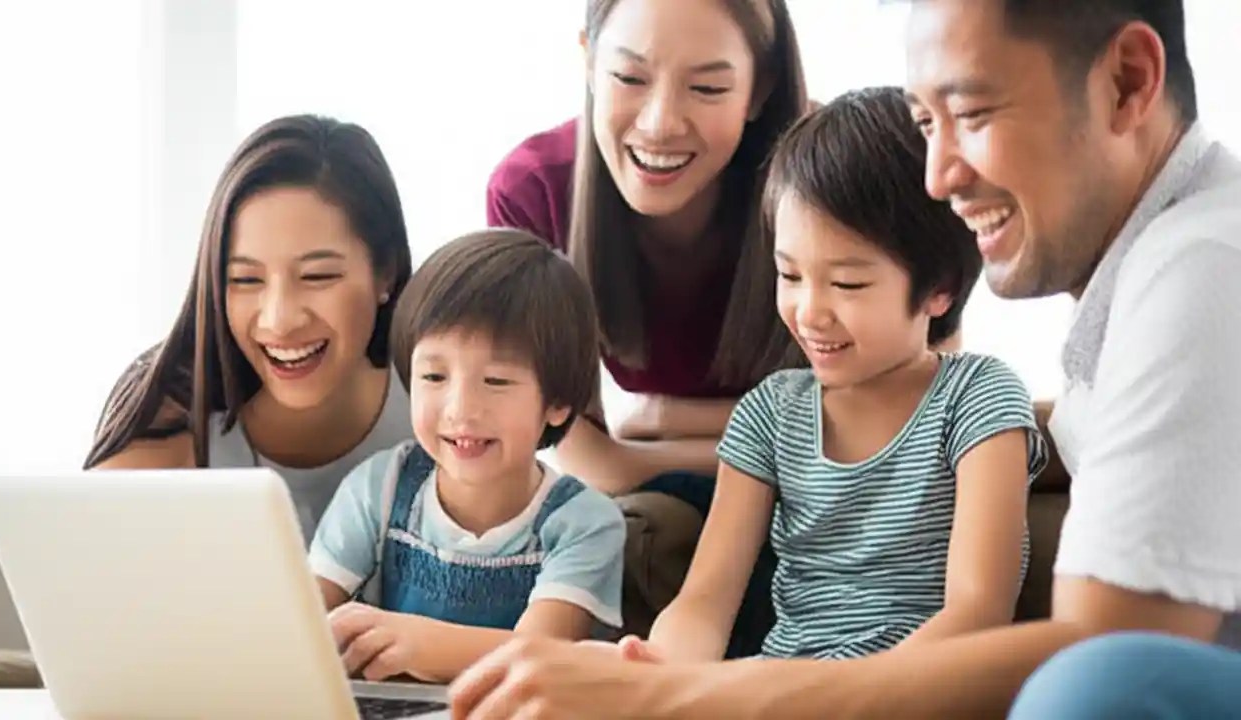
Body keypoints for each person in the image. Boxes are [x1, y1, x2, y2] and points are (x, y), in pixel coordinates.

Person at [447, 1, 1241, 717]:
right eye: (927, 124)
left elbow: (1106, 660)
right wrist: (649, 668)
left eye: (970, 112)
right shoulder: (1158, 273)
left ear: (1128, 82)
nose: (939, 179)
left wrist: (679, 695)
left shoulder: (1201, 269)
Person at [617, 87, 1045, 666]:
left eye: (847, 284)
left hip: (921, 693)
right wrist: (663, 669)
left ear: (939, 287)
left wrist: (823, 696)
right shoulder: (771, 414)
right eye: (789, 275)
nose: (809, 311)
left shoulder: (978, 398)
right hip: (781, 690)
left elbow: (976, 612)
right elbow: (704, 603)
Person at [486, 0, 810, 654]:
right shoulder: (534, 191)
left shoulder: (828, 178)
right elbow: (586, 453)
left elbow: (893, 418)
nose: (661, 124)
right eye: (629, 79)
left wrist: (664, 422)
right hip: (721, 478)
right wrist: (707, 434)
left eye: (708, 87)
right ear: (588, 60)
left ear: (761, 87)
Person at [309, 229, 625, 683]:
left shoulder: (585, 523)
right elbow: (302, 618)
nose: (460, 409)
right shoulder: (379, 486)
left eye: (496, 381)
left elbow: (539, 655)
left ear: (557, 401)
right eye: (434, 376)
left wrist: (413, 641)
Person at [86, 114, 414, 545]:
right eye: (245, 280)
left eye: (317, 277)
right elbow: (92, 579)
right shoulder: (172, 404)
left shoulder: (443, 391)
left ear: (385, 273)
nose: (279, 319)